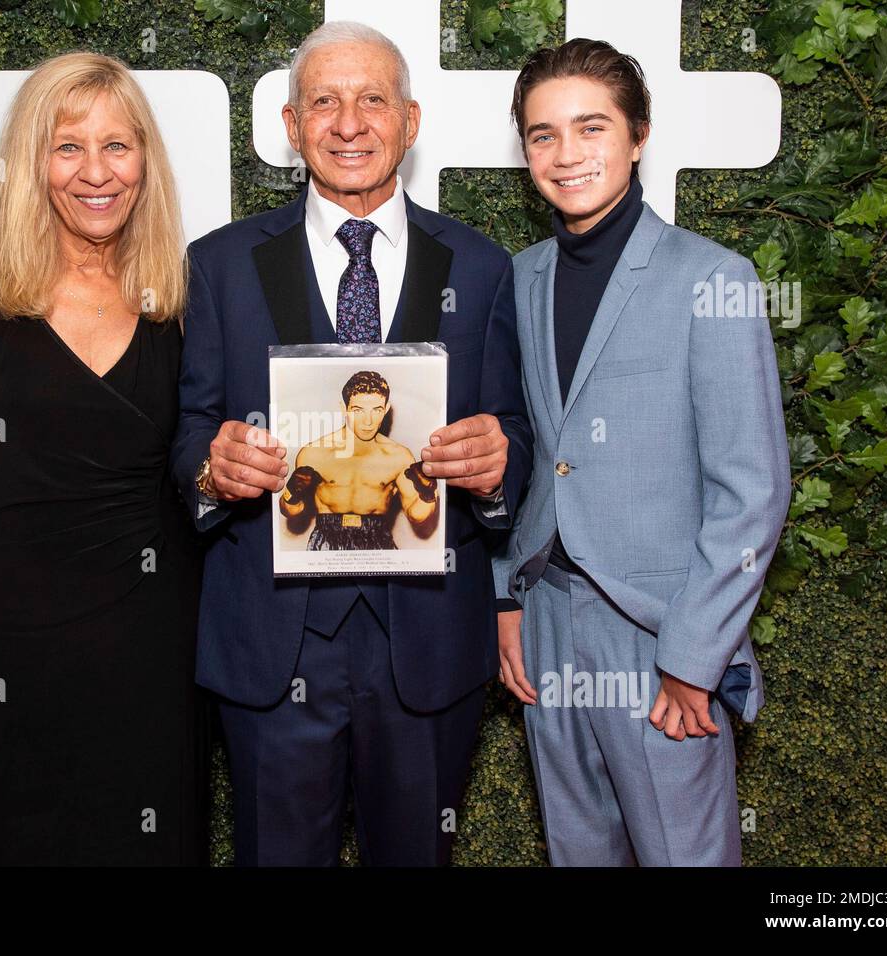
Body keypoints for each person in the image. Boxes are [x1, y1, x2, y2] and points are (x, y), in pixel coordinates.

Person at [173, 20, 533, 866]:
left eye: (372, 99)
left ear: (409, 121)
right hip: (272, 641)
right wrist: (211, 468)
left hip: (427, 645)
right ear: (292, 127)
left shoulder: (482, 268)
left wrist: (496, 462)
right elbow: (189, 429)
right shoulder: (219, 266)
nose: (348, 122)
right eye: (323, 102)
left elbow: (515, 426)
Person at [0, 52, 208, 865]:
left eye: (117, 146)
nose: (95, 172)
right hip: (7, 662)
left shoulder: (179, 300)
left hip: (152, 657)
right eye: (68, 147)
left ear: (146, 161)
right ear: (31, 162)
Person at [491, 38, 791, 866]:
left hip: (659, 634)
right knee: (576, 852)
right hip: (547, 619)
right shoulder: (519, 278)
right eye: (543, 134)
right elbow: (519, 453)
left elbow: (753, 492)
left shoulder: (713, 278)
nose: (566, 153)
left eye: (591, 127)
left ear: (638, 134)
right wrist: (506, 598)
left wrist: (694, 662)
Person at [280, 369, 439, 550]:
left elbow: (416, 514)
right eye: (358, 410)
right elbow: (290, 512)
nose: (368, 422)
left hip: (378, 538)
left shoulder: (398, 456)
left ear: (386, 409)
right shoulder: (314, 453)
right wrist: (291, 493)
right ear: (344, 408)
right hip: (327, 539)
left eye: (377, 410)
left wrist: (427, 495)